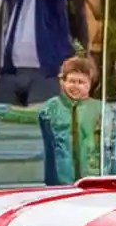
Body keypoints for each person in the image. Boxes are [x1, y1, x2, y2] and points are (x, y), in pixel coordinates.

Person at [38, 56, 102, 185]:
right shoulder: (50, 109)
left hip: (91, 177)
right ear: (62, 82)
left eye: (81, 82)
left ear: (91, 84)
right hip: (58, 179)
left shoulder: (100, 109)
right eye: (72, 81)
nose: (76, 86)